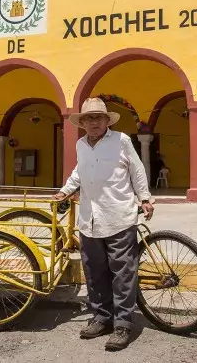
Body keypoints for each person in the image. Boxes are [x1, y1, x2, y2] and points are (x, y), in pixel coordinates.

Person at [53, 97, 154, 351]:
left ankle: (122, 324)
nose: (94, 122)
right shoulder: (81, 144)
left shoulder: (121, 140)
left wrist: (144, 198)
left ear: (107, 120)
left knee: (122, 273)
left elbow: (137, 169)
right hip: (90, 219)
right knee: (95, 272)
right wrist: (65, 191)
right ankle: (101, 318)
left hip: (118, 215)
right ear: (83, 122)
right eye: (89, 118)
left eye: (99, 117)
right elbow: (79, 171)